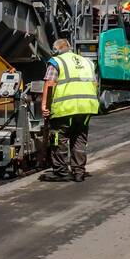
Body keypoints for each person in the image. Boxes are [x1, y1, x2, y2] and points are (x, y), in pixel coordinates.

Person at [41, 38, 100, 181]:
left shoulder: (56, 62)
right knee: (79, 138)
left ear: (56, 50)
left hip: (65, 107)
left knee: (59, 139)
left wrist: (44, 106)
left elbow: (50, 84)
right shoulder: (87, 62)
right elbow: (95, 84)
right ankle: (79, 172)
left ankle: (61, 172)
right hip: (87, 106)